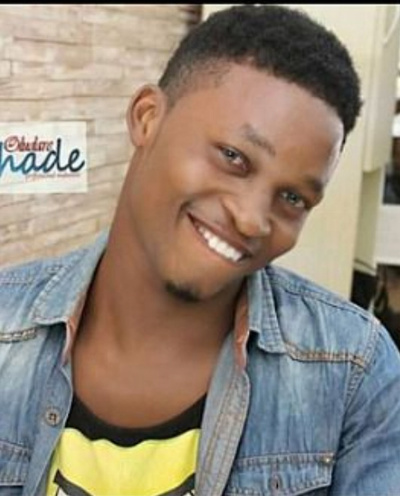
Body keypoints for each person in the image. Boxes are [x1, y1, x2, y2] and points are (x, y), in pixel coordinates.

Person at [1, 5, 400, 496]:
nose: (252, 219)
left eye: (293, 198)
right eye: (233, 157)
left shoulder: (354, 372)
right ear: (148, 117)